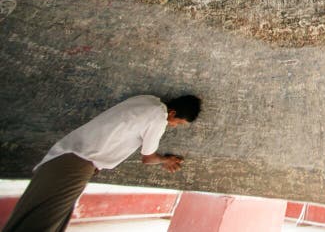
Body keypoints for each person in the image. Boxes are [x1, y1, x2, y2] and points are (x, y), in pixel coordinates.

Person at [2, 94, 201, 232]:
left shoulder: (147, 100)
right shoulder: (159, 117)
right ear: (173, 113)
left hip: (66, 161)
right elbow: (148, 158)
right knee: (41, 223)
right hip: (75, 165)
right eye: (178, 123)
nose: (173, 126)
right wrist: (165, 160)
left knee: (37, 220)